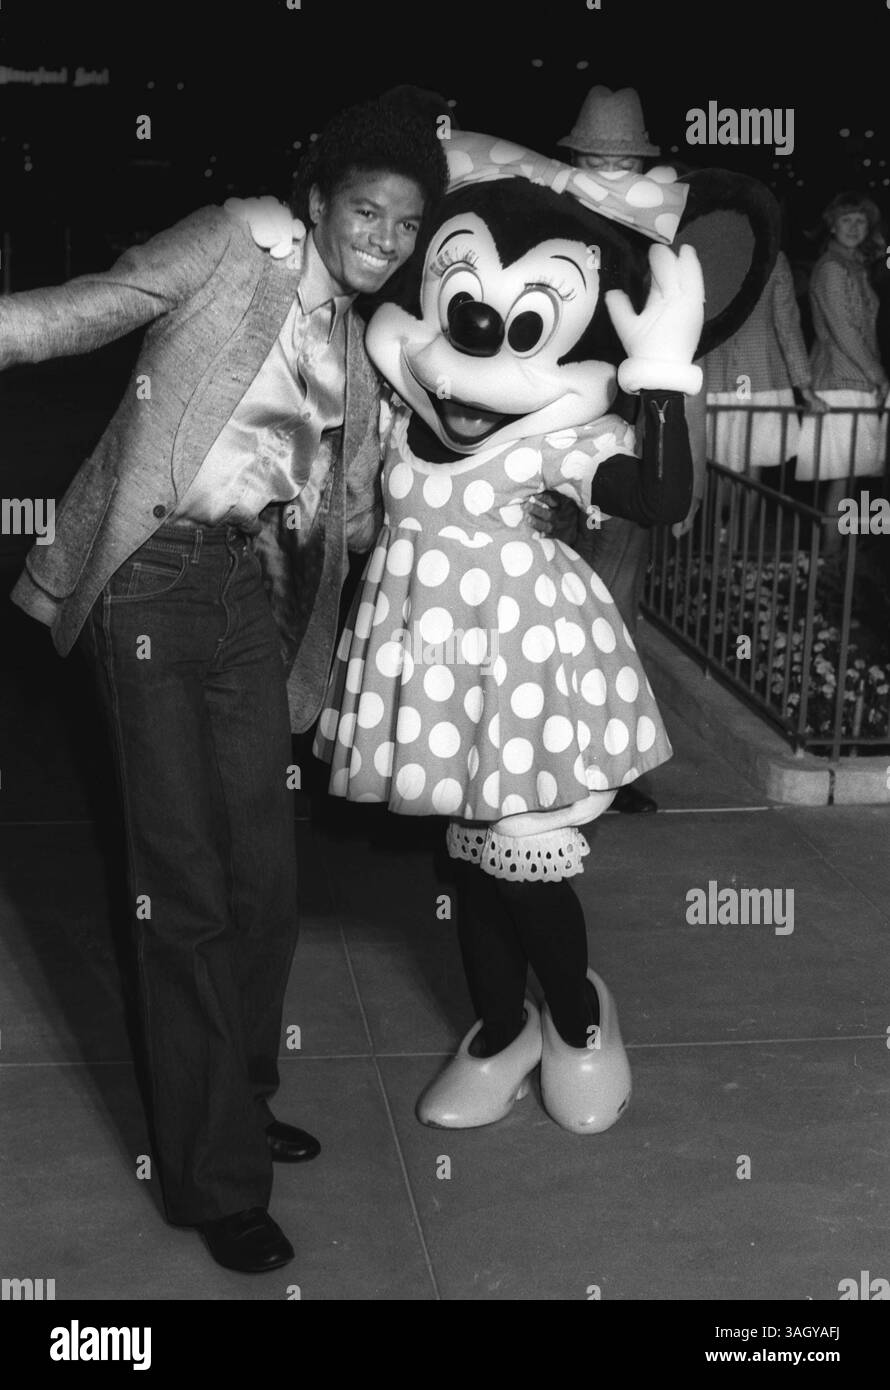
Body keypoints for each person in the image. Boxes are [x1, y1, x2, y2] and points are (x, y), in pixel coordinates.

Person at [6, 96, 447, 1273]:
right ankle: (210, 1180)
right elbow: (99, 305)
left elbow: (344, 505)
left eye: (404, 223)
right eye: (366, 209)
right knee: (184, 888)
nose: (383, 236)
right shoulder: (235, 244)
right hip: (149, 584)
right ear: (319, 199)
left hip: (249, 604)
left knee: (263, 872)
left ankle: (238, 1096)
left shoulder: (356, 341)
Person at [526, 85, 708, 814]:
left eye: (621, 157)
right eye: (596, 156)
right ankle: (538, 755)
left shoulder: (666, 244)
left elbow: (691, 358)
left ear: (639, 162)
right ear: (576, 159)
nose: (609, 168)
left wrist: (675, 469)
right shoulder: (542, 229)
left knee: (614, 611)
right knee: (536, 615)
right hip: (544, 453)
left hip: (627, 465)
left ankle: (613, 763)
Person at [796, 192, 889, 548]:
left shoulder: (854, 266)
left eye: (861, 221)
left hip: (858, 381)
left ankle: (830, 559)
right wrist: (878, 374)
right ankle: (828, 561)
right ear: (831, 225)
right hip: (839, 380)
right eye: (846, 220)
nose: (854, 227)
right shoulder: (832, 268)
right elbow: (843, 330)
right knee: (841, 479)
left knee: (847, 480)